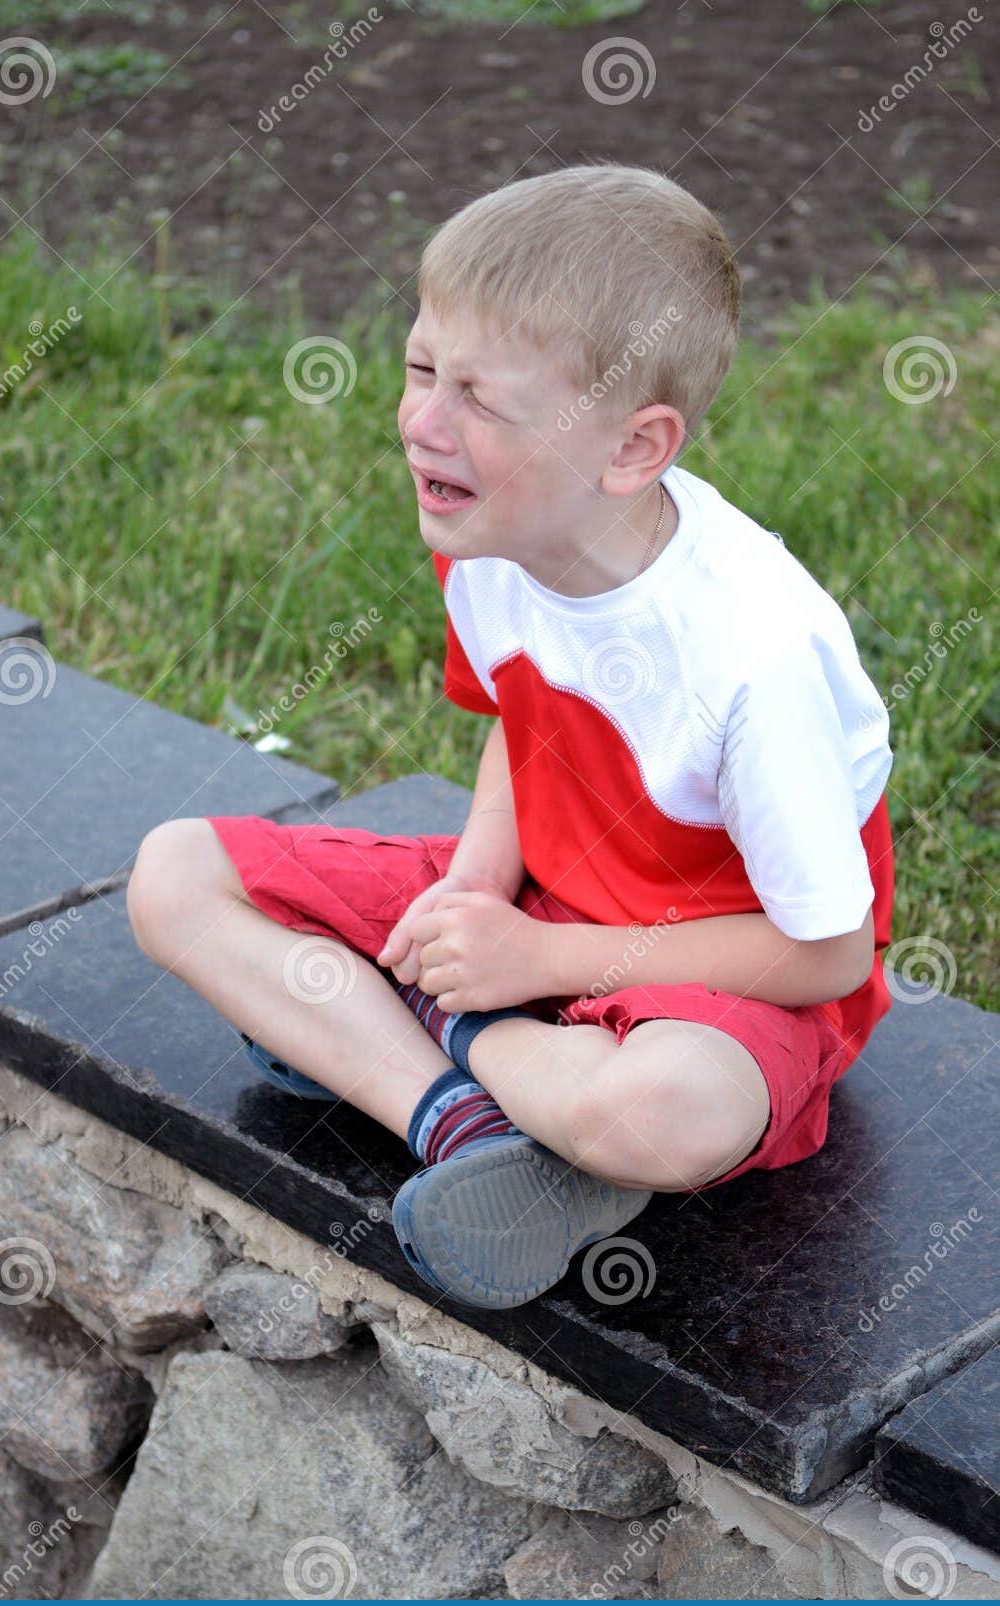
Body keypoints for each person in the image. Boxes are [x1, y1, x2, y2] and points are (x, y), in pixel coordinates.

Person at [126, 164, 894, 1313]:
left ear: (633, 450)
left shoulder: (751, 652)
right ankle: (470, 1123)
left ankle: (428, 1036)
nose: (424, 422)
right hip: (542, 909)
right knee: (172, 876)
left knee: (654, 1112)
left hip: (724, 969)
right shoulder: (493, 533)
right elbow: (515, 731)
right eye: (421, 367)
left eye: (481, 399)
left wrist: (525, 969)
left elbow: (833, 955)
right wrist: (479, 887)